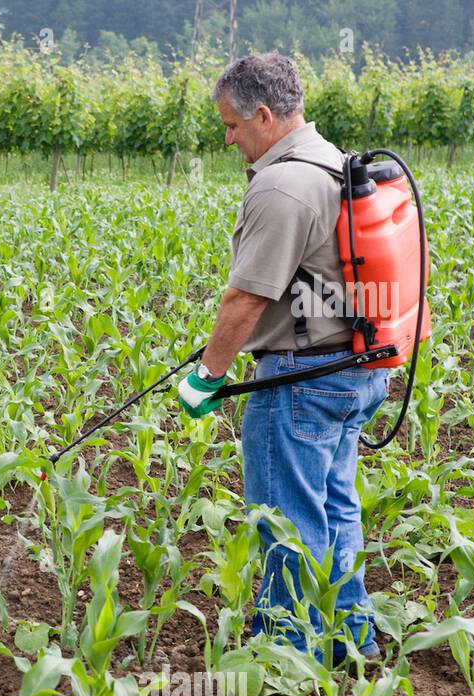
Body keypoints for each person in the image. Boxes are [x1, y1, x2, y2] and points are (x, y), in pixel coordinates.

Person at [176, 52, 389, 664]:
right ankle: (351, 637)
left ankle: (289, 648)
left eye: (231, 125)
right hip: (351, 368)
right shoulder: (332, 161)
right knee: (336, 508)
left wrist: (207, 376)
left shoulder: (281, 183)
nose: (228, 137)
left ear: (264, 115)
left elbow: (246, 297)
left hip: (301, 378)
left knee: (285, 518)